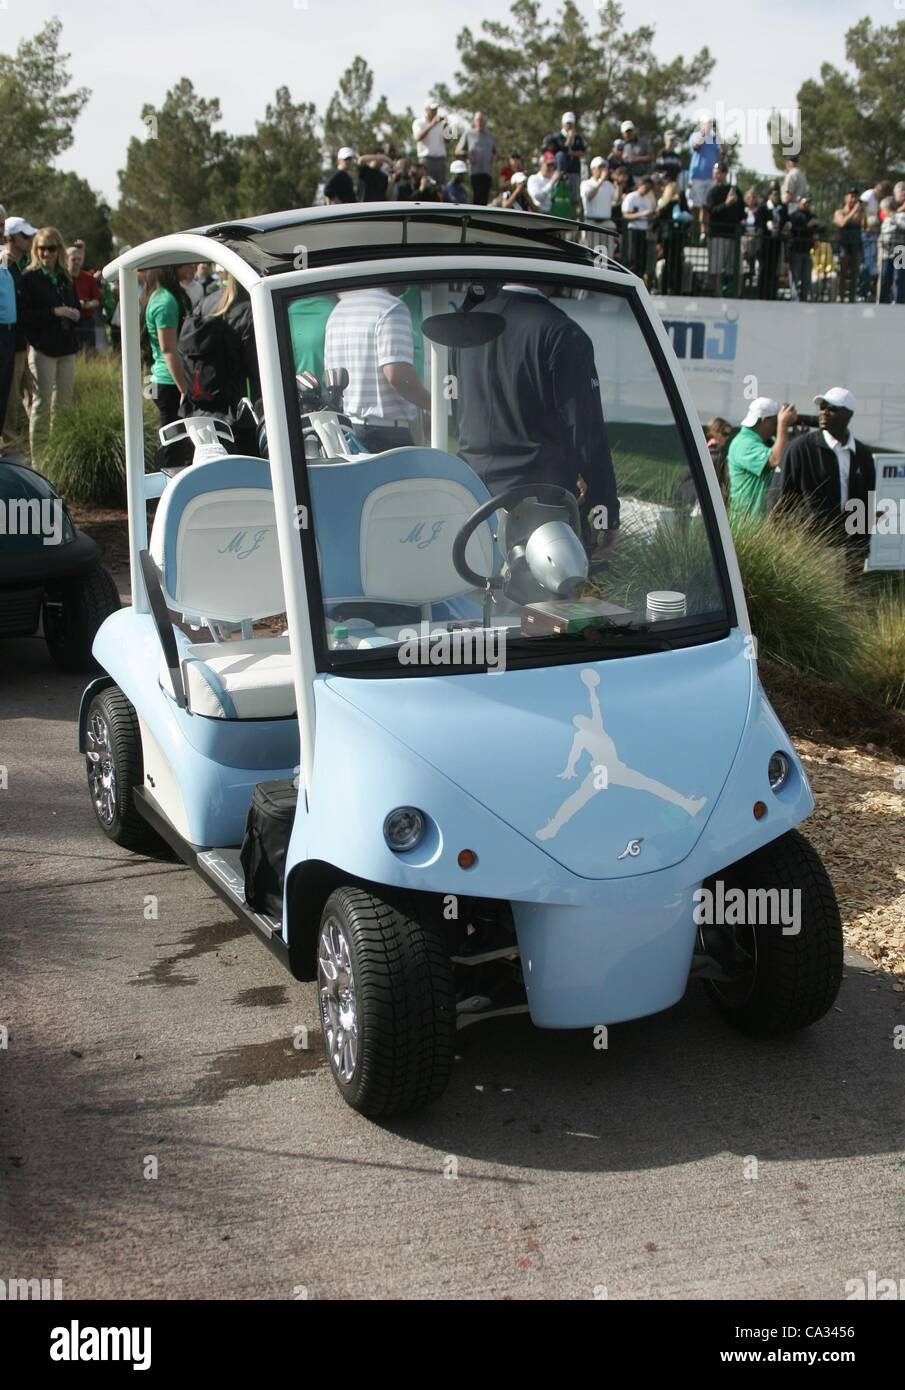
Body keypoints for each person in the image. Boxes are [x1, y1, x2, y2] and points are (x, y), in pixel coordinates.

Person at [449, 282, 619, 550]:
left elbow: (459, 411)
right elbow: (587, 433)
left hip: (472, 502)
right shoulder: (562, 332)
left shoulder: (469, 326)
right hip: (541, 510)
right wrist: (605, 513)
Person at [773, 387, 875, 561]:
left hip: (850, 550)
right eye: (822, 407)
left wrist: (862, 547)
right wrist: (779, 547)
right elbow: (778, 500)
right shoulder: (799, 448)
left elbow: (866, 504)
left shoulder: (862, 454)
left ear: (848, 414)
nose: (824, 412)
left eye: (832, 409)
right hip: (808, 548)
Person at [323, 285, 430, 452]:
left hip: (349, 430)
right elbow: (398, 375)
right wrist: (433, 404)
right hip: (388, 434)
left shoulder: (338, 311)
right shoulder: (392, 308)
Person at [21, 227, 81, 460]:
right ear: (36, 250)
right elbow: (26, 315)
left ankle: (58, 455)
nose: (47, 253)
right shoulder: (29, 277)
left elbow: (74, 304)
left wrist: (74, 312)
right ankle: (40, 458)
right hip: (42, 349)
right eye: (42, 248)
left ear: (59, 250)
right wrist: (55, 312)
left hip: (66, 347)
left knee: (63, 405)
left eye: (52, 248)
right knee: (42, 404)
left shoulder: (65, 277)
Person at [179, 270, 259, 424]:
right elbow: (257, 369)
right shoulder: (252, 307)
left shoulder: (207, 301)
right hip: (238, 412)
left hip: (202, 408)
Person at [727, 396, 796, 516]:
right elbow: (775, 460)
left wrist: (796, 440)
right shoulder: (743, 443)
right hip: (747, 526)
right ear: (766, 420)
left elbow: (785, 457)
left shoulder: (767, 441)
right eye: (776, 420)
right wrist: (783, 425)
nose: (778, 424)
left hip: (764, 525)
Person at [141, 265, 190, 427]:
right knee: (173, 446)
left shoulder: (166, 296)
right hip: (169, 383)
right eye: (184, 263)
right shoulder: (165, 300)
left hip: (167, 380)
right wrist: (184, 388)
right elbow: (168, 349)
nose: (192, 265)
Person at [1, 216, 36, 447]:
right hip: (7, 338)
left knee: (27, 395)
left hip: (21, 339)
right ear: (11, 238)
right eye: (24, 237)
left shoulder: (20, 264)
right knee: (9, 395)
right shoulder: (3, 262)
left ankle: (17, 442)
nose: (29, 240)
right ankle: (9, 445)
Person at [704, 167, 744, 295]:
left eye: (719, 172)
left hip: (734, 235)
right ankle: (718, 294)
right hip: (718, 234)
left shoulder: (735, 190)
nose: (717, 175)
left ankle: (736, 294)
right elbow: (711, 211)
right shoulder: (712, 192)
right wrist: (726, 203)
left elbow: (742, 212)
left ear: (725, 173)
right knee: (716, 267)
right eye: (715, 173)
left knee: (737, 268)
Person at [67, 242, 104, 354]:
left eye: (79, 259)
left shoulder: (88, 278)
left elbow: (97, 300)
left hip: (86, 321)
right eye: (73, 259)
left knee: (88, 353)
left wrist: (86, 305)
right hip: (68, 322)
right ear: (66, 260)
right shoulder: (61, 277)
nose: (77, 262)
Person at [455, 112, 497, 206]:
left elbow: (495, 152)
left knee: (484, 200)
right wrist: (467, 154)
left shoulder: (491, 136)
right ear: (474, 121)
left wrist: (494, 157)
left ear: (485, 122)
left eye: (482, 120)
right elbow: (457, 151)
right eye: (477, 120)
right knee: (476, 199)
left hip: (487, 172)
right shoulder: (469, 134)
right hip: (474, 172)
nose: (480, 122)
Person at [621, 176, 656, 279]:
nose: (647, 190)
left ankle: (640, 277)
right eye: (646, 187)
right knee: (633, 257)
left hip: (643, 230)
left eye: (649, 189)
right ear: (640, 185)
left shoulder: (647, 200)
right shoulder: (631, 197)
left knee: (642, 257)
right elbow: (626, 215)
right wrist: (642, 214)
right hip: (633, 229)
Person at [580, 157, 617, 255]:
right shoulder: (586, 184)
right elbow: (589, 196)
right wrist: (600, 182)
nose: (603, 170)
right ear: (593, 169)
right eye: (600, 167)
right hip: (593, 224)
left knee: (607, 256)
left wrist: (619, 185)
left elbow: (616, 200)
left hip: (606, 224)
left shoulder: (609, 185)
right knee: (594, 255)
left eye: (604, 167)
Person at [787, 195, 820, 302]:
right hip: (796, 249)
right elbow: (795, 228)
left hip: (807, 250)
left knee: (806, 277)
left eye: (809, 203)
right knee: (795, 276)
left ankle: (804, 297)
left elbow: (820, 227)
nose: (807, 205)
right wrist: (807, 227)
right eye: (805, 202)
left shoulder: (811, 216)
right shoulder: (794, 215)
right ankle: (794, 298)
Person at [549, 112, 586, 206]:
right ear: (563, 124)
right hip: (561, 172)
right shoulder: (557, 137)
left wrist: (572, 153)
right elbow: (563, 150)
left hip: (574, 170)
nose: (569, 126)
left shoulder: (577, 137)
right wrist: (569, 138)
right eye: (567, 123)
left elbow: (582, 151)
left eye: (571, 123)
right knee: (558, 196)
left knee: (574, 199)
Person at [412, 100, 452, 187]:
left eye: (436, 109)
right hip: (426, 159)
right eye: (432, 109)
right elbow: (418, 138)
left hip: (440, 159)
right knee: (427, 184)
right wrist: (432, 125)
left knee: (441, 186)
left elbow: (449, 140)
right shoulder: (418, 122)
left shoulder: (442, 123)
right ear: (426, 110)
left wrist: (447, 127)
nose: (435, 111)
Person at [833, 190, 863, 303]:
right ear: (846, 198)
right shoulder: (839, 212)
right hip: (844, 245)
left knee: (855, 274)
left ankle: (852, 298)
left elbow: (865, 226)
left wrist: (859, 213)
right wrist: (853, 211)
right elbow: (841, 223)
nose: (854, 200)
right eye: (851, 197)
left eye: (855, 197)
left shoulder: (858, 213)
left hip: (856, 245)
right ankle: (840, 298)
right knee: (843, 274)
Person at [878, 183, 905, 304]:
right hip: (886, 249)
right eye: (902, 190)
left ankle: (898, 300)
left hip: (901, 249)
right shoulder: (888, 207)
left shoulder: (899, 214)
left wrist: (894, 215)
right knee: (885, 276)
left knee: (899, 276)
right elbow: (883, 233)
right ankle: (882, 300)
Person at [687, 119, 721, 211]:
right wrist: (703, 132)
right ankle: (695, 225)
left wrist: (718, 133)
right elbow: (696, 145)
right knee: (695, 205)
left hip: (711, 177)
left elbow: (724, 150)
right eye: (707, 124)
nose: (710, 126)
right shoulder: (694, 136)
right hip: (697, 177)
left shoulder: (715, 139)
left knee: (707, 206)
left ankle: (704, 225)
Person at [859, 215, 880, 301]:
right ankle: (862, 294)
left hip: (874, 263)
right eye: (876, 226)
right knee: (864, 271)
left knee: (879, 274)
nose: (877, 228)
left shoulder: (877, 237)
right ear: (871, 226)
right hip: (863, 262)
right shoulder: (862, 236)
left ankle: (874, 294)